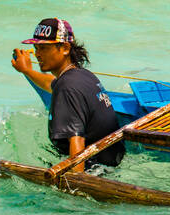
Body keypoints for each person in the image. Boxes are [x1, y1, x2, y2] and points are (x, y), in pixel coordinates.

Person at [10, 18, 124, 171]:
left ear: (64, 48)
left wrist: (74, 184)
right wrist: (27, 70)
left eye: (43, 49)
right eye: (36, 48)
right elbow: (50, 83)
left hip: (94, 170)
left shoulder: (67, 88)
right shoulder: (82, 75)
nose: (37, 55)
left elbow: (76, 140)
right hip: (112, 161)